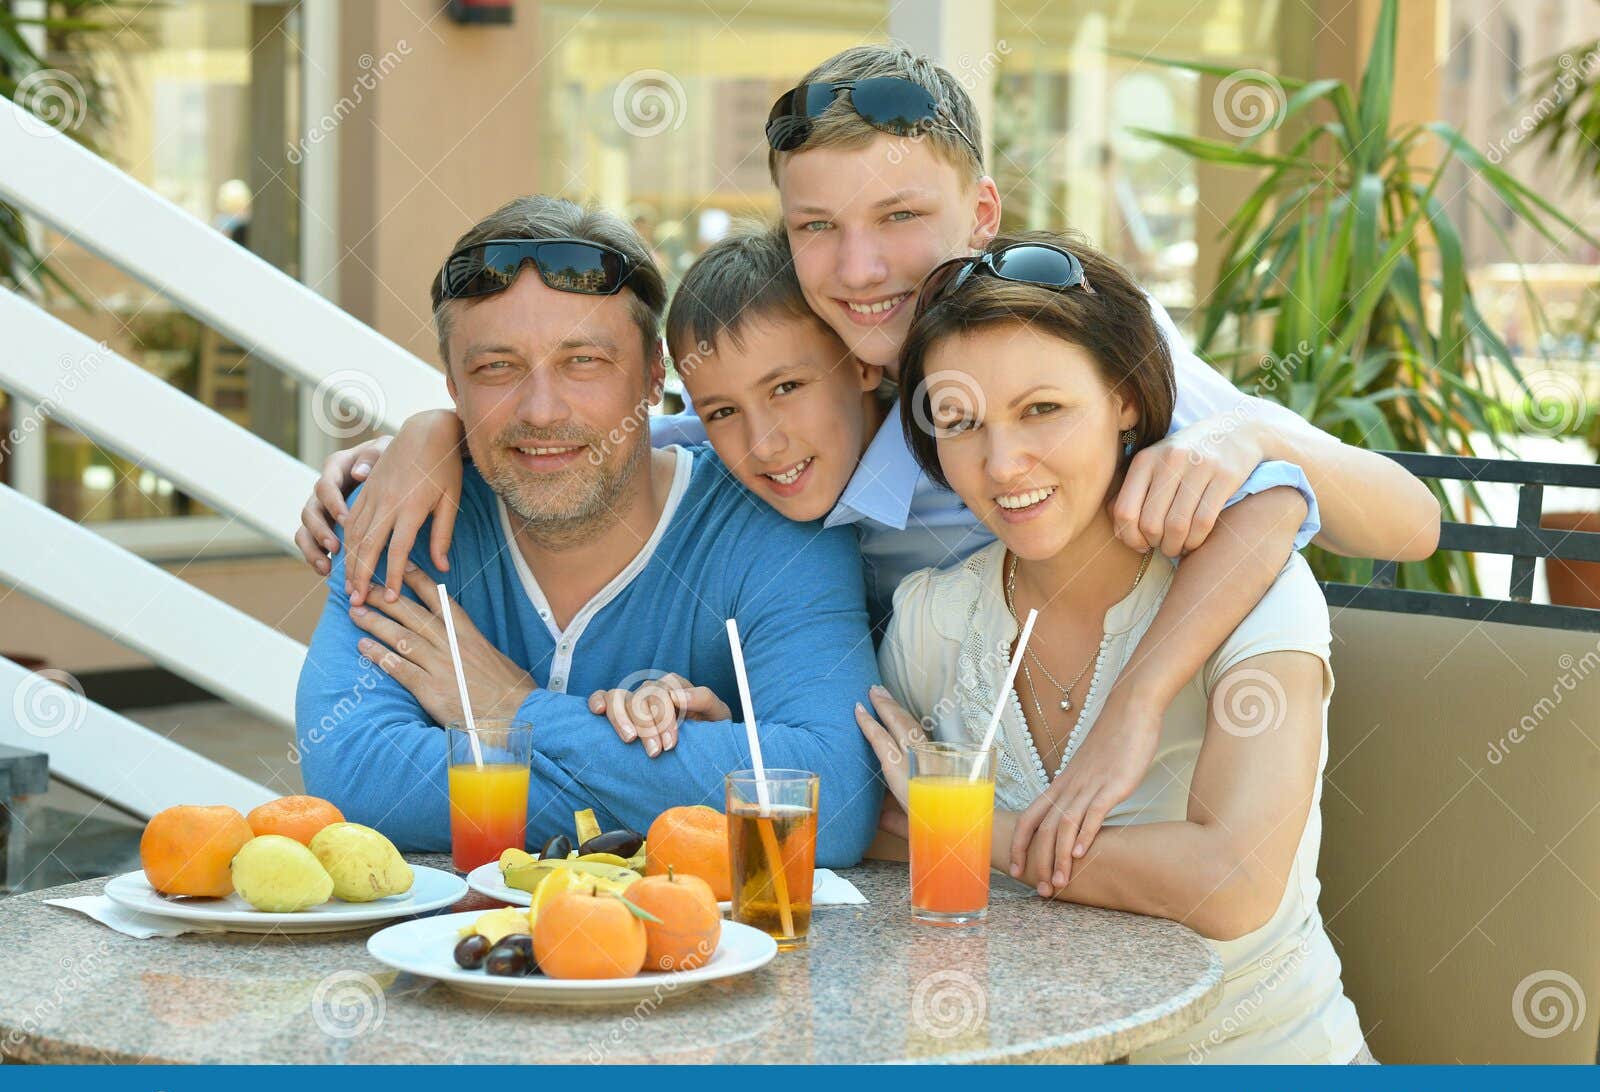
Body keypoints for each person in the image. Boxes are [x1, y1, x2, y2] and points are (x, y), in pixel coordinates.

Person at [293, 43, 1439, 870]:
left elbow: (1378, 520)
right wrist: (431, 435)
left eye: (900, 217)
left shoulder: (1055, 342)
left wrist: (1247, 438)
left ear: (981, 213)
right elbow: (620, 437)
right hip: (953, 793)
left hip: (1125, 776)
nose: (859, 266)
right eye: (816, 229)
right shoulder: (794, 431)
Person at [858, 232, 1370, 1064]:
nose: (1001, 460)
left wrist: (974, 831)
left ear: (1127, 399)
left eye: (1043, 409)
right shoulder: (933, 617)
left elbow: (1230, 880)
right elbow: (875, 820)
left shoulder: (1252, 591)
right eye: (961, 422)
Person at [294, 195, 882, 865]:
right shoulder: (399, 514)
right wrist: (676, 777)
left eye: (584, 362)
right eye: (496, 368)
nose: (541, 410)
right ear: (452, 388)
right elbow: (355, 778)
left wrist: (513, 710)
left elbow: (828, 802)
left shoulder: (773, 521)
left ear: (657, 373)